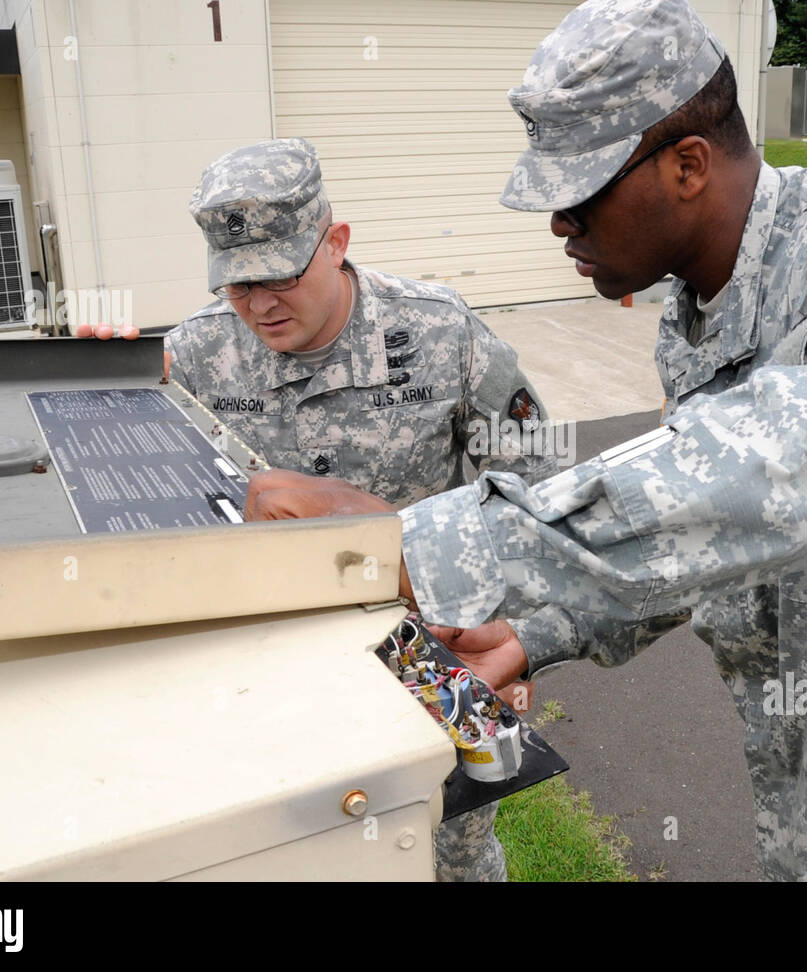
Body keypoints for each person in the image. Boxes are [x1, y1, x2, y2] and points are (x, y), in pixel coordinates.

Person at [242, 0, 807, 881]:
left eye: (577, 199)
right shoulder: (696, 311)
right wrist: (546, 624)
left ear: (688, 164)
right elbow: (715, 525)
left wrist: (423, 544)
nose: (557, 227)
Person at [167, 137, 559, 882]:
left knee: (457, 851)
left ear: (336, 241)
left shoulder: (441, 331)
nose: (259, 304)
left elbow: (539, 496)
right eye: (237, 285)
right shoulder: (193, 357)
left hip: (435, 651)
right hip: (280, 668)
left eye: (279, 275)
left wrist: (526, 633)